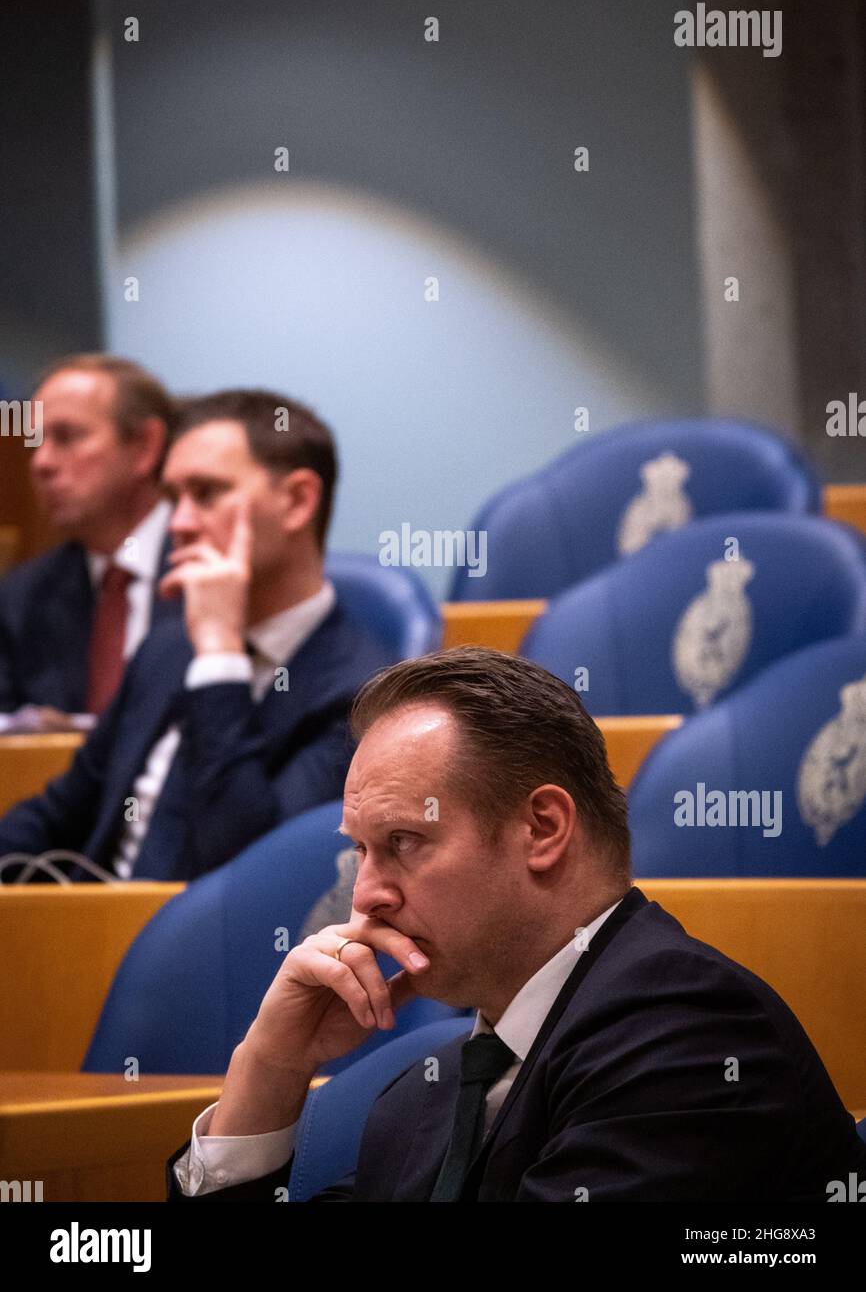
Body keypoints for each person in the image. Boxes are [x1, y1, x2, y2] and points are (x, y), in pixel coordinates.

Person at [167, 646, 866, 1201]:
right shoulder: (426, 1095)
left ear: (542, 828)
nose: (367, 897)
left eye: (404, 842)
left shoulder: (686, 1034)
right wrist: (271, 1065)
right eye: (360, 851)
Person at [0, 390, 390, 881]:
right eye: (172, 499)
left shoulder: (365, 698)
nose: (179, 524)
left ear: (297, 501)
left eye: (206, 493)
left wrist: (219, 658)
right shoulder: (166, 649)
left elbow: (246, 877)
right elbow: (58, 813)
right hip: (86, 927)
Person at [0, 353, 178, 718]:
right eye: (36, 441)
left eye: (66, 437)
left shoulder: (221, 572)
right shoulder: (21, 597)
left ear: (146, 446)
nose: (41, 463)